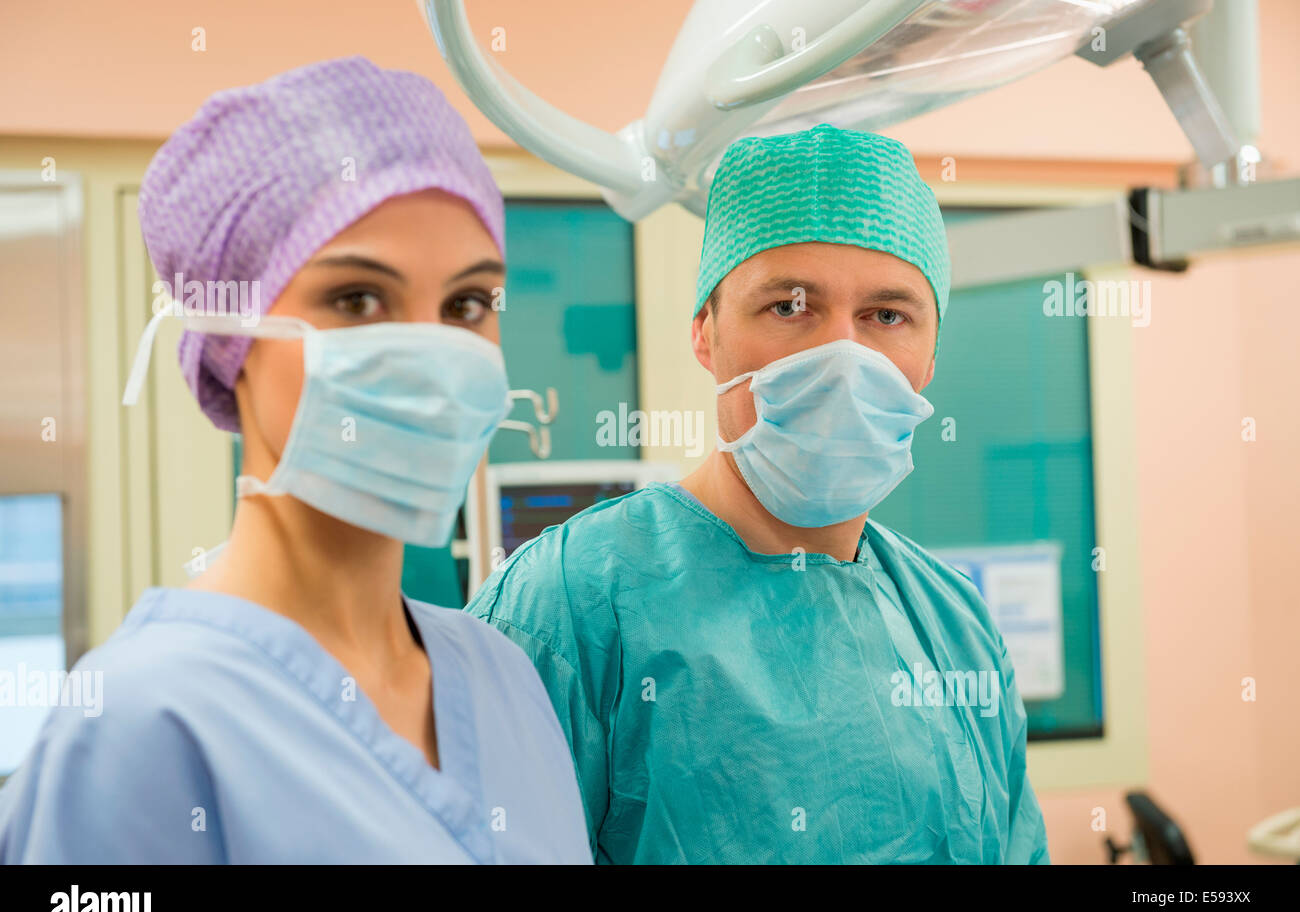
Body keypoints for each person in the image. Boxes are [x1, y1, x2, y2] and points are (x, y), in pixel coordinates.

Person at [0, 57, 590, 864]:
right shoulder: (141, 724)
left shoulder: (504, 679)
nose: (431, 351)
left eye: (467, 304)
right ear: (228, 342)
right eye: (357, 299)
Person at [467, 124, 1050, 864]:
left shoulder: (956, 624)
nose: (843, 355)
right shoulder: (566, 609)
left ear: (930, 355)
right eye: (790, 307)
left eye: (887, 315)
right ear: (706, 334)